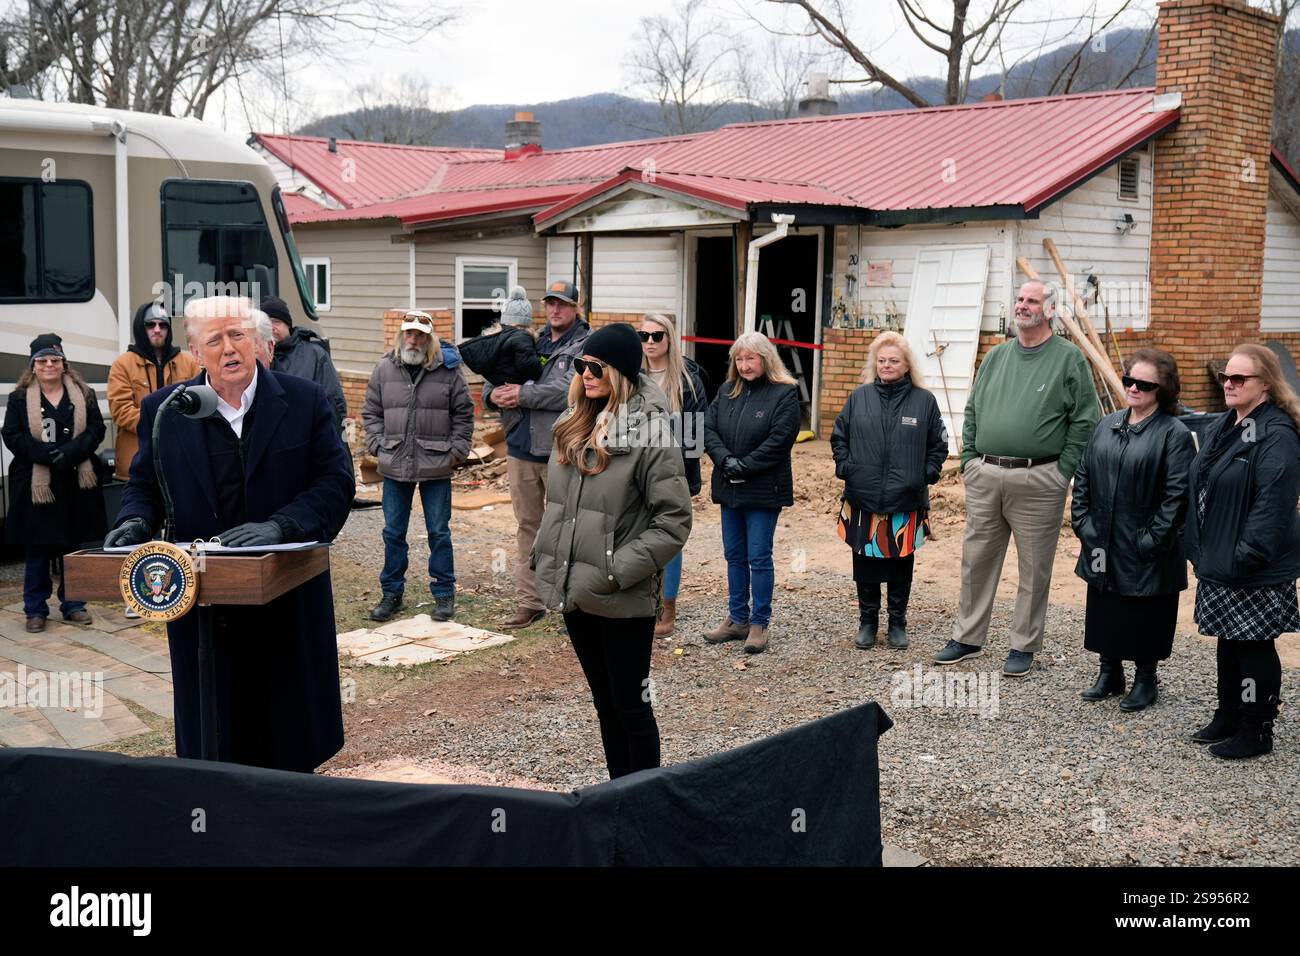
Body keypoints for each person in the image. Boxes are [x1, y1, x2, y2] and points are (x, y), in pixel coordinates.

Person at [104, 296, 354, 772]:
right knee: (215, 733)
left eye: (238, 335)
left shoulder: (304, 400)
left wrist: (281, 525)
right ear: (196, 353)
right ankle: (217, 814)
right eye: (214, 340)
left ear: (261, 343)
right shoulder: (165, 410)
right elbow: (144, 486)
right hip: (203, 604)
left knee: (289, 731)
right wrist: (133, 520)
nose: (228, 349)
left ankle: (290, 807)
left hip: (286, 593)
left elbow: (335, 482)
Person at [531, 323, 692, 779]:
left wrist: (615, 570)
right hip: (575, 589)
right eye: (581, 366)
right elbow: (559, 507)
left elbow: (673, 520)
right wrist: (546, 558)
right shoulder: (571, 423)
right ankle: (619, 800)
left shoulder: (653, 431)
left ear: (619, 371)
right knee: (605, 705)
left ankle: (646, 806)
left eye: (596, 366)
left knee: (632, 709)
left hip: (620, 594)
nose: (585, 374)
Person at [934, 280, 1099, 677]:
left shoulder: (1068, 359)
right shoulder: (996, 356)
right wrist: (970, 460)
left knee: (1034, 566)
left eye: (1032, 301)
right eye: (1020, 299)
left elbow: (1085, 419)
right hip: (986, 474)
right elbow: (972, 408)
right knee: (976, 561)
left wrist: (1063, 472)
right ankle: (968, 637)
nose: (1023, 306)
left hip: (1039, 478)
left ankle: (1023, 644)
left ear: (1051, 310)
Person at [1185, 344, 1300, 759]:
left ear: (1266, 383)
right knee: (1229, 641)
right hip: (1221, 556)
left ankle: (1257, 728)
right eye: (1226, 378)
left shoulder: (1277, 434)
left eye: (1239, 379)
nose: (1229, 384)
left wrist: (1244, 555)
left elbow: (1274, 504)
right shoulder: (1228, 424)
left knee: (1253, 644)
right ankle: (1229, 713)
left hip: (1253, 564)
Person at [1071, 349, 1196, 711]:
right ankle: (1109, 672)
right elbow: (1084, 475)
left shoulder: (1174, 434)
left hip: (1146, 542)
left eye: (1145, 384)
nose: (1134, 388)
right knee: (1105, 605)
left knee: (1145, 613)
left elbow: (1177, 496)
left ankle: (1145, 679)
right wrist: (1083, 523)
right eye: (1130, 381)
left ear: (1164, 390)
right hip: (1102, 537)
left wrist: (1151, 540)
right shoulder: (1106, 424)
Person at [831, 331, 947, 651]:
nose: (886, 365)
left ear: (907, 365)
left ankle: (898, 623)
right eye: (881, 360)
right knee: (864, 564)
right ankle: (868, 622)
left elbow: (938, 445)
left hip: (905, 499)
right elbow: (839, 436)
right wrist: (846, 468)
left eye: (893, 360)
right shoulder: (859, 397)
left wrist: (925, 474)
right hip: (863, 497)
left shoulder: (924, 402)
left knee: (900, 565)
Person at [484, 279, 590, 629]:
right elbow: (494, 376)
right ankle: (529, 602)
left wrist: (523, 394)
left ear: (575, 306)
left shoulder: (585, 344)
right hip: (521, 448)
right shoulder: (527, 338)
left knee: (568, 527)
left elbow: (570, 390)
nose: (555, 309)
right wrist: (492, 396)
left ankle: (570, 602)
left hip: (562, 450)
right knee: (527, 525)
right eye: (550, 303)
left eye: (562, 303)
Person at [362, 310, 475, 623]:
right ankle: (391, 595)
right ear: (401, 336)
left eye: (420, 335)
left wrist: (457, 451)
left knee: (439, 532)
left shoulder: (448, 370)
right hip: (395, 463)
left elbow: (464, 414)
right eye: (409, 334)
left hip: (437, 464)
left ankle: (443, 595)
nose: (414, 340)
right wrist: (377, 445)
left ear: (429, 339)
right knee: (393, 533)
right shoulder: (384, 368)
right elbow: (371, 412)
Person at [702, 331, 801, 654]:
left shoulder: (785, 393)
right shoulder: (727, 390)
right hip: (729, 486)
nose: (744, 365)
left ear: (765, 359)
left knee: (758, 557)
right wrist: (725, 459)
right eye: (739, 359)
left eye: (750, 358)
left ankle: (759, 622)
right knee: (734, 555)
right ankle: (736, 619)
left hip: (763, 489)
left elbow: (780, 440)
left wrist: (745, 465)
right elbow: (709, 428)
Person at [3, 334, 107, 632]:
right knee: (38, 548)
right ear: (33, 366)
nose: (49, 364)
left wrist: (70, 452)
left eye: (55, 359)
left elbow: (96, 429)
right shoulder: (19, 398)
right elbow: (12, 435)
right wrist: (48, 455)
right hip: (37, 486)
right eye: (43, 360)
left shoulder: (83, 394)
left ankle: (73, 604)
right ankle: (35, 609)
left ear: (64, 363)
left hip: (75, 481)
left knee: (72, 548)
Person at [639, 312, 707, 638]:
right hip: (635, 471)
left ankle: (668, 605)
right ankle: (642, 602)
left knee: (671, 541)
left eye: (656, 336)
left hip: (673, 472)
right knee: (638, 536)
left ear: (669, 339)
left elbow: (694, 438)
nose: (649, 342)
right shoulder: (631, 374)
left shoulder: (688, 378)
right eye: (644, 336)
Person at [107, 302, 200, 481]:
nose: (157, 330)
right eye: (151, 324)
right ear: (140, 328)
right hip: (137, 462)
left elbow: (199, 405)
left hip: (180, 460)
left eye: (163, 324)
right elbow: (121, 411)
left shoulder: (188, 362)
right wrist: (159, 425)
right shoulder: (123, 364)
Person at [458, 285, 543, 386]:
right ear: (526, 322)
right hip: (518, 386)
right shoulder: (522, 337)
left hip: (500, 387)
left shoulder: (496, 339)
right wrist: (541, 367)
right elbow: (529, 367)